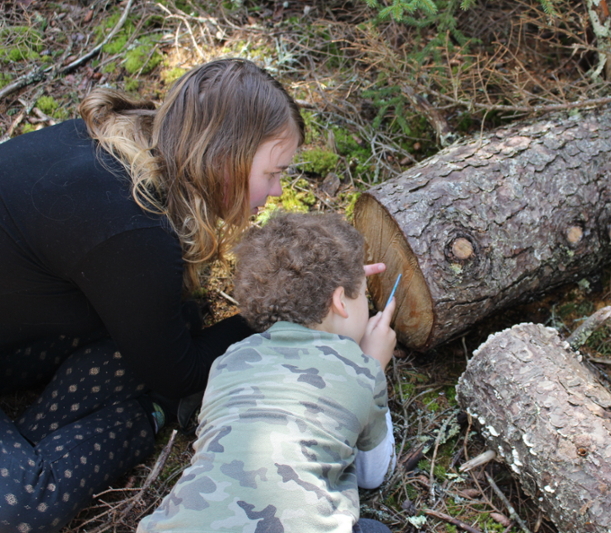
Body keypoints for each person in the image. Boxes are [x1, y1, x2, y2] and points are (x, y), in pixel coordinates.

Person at [0, 58, 385, 532]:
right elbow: (180, 371)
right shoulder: (134, 229)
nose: (278, 191)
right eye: (273, 172)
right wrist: (304, 306)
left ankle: (25, 438)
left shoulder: (122, 151)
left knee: (176, 317)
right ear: (225, 157)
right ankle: (145, 413)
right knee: (21, 506)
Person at [137, 212, 397, 533]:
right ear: (340, 301)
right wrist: (374, 366)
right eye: (364, 295)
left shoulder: (228, 360)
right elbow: (374, 475)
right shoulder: (359, 368)